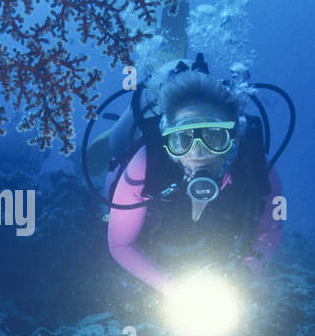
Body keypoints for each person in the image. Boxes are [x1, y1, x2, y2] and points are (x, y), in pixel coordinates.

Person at [105, 61, 283, 296]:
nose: (198, 152)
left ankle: (178, 71)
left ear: (235, 137)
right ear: (168, 143)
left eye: (214, 136)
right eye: (183, 139)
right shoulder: (146, 163)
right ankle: (158, 75)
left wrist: (245, 272)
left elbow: (272, 230)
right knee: (117, 145)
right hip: (129, 154)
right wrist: (172, 288)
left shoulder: (257, 167)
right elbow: (120, 244)